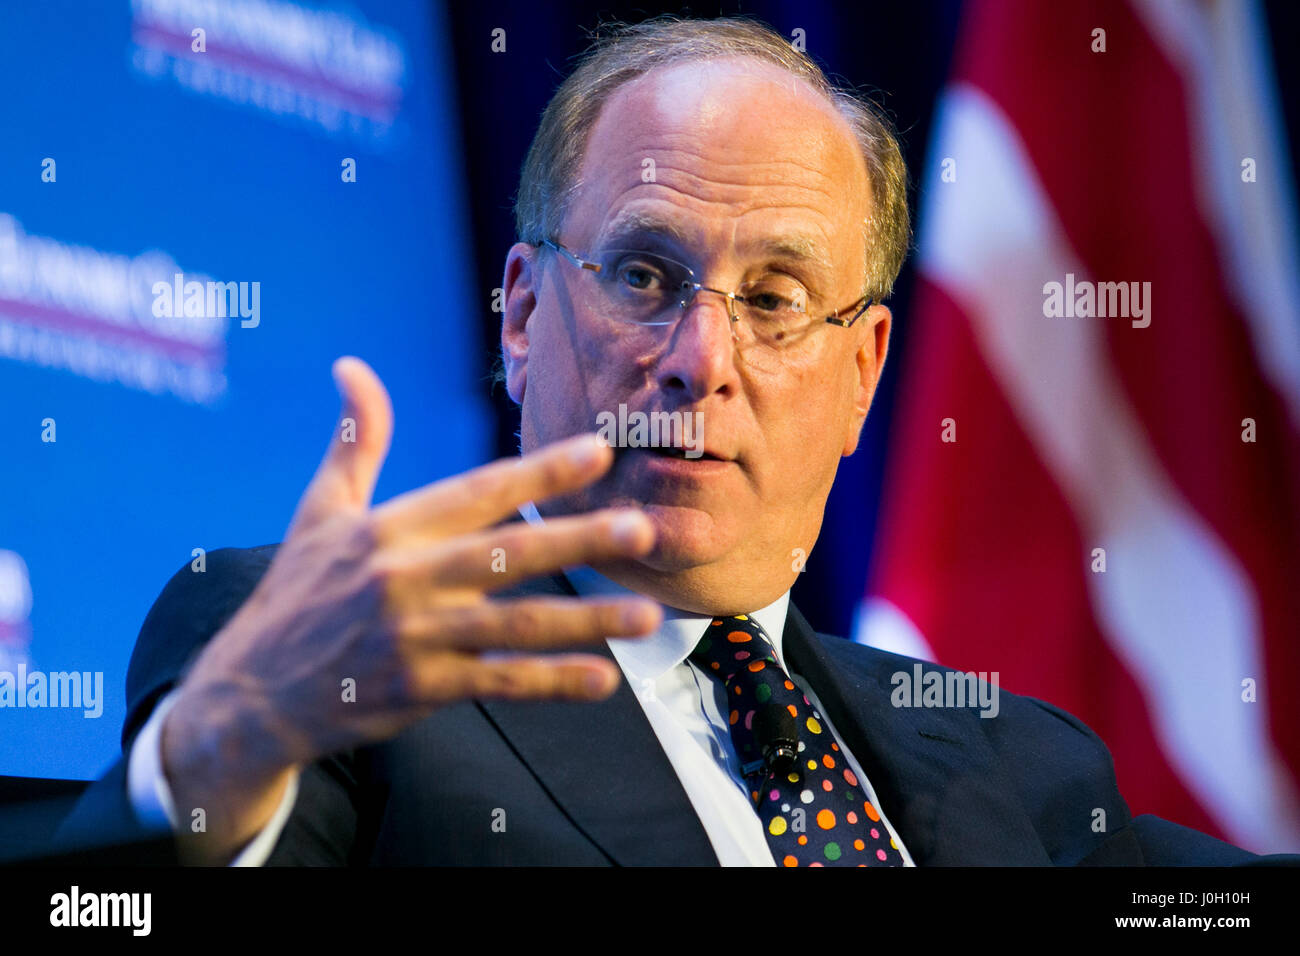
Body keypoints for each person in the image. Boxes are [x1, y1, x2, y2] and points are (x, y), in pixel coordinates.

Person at [56, 16, 1273, 866]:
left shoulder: (1023, 761)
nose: (702, 353)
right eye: (645, 273)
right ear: (523, 314)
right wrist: (215, 756)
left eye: (777, 296)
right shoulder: (309, 652)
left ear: (862, 375)